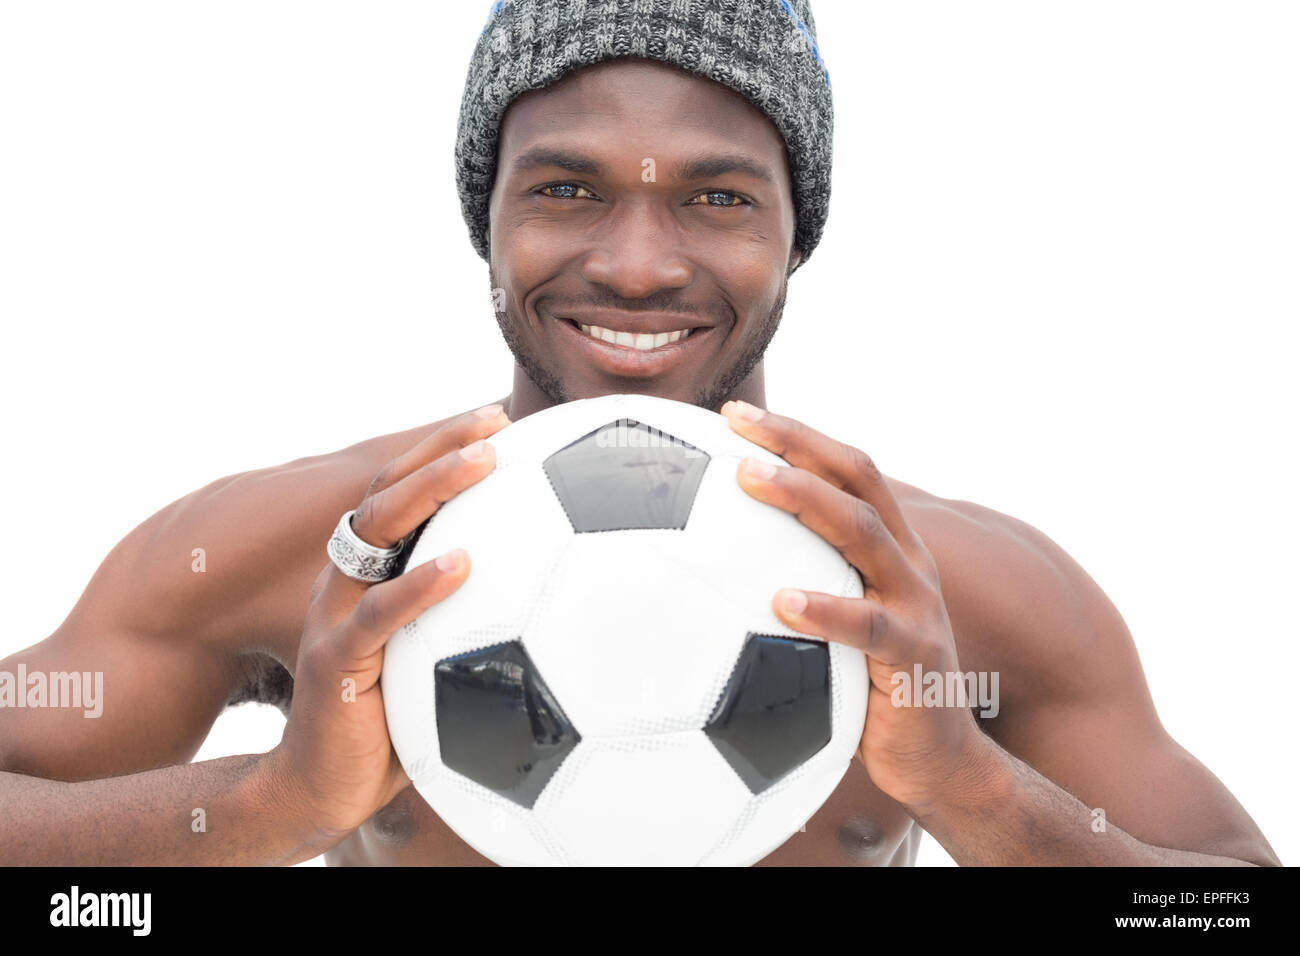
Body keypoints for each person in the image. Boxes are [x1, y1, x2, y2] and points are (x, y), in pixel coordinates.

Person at [0, 0, 1279, 866]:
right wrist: (269, 802)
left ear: (796, 234)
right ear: (486, 219)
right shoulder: (298, 552)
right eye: (567, 189)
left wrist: (977, 792)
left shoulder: (958, 592)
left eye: (718, 198)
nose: (637, 264)